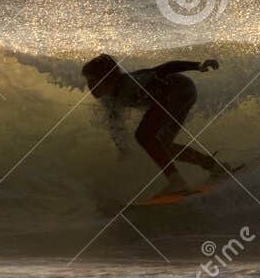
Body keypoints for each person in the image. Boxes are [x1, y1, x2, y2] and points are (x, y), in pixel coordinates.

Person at [82, 53, 231, 194]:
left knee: (143, 135)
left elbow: (166, 67)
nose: (89, 86)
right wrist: (122, 149)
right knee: (163, 146)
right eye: (88, 81)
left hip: (179, 89)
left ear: (108, 78)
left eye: (93, 80)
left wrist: (198, 65)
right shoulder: (110, 99)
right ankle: (216, 167)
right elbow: (115, 124)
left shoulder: (132, 83)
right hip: (178, 95)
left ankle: (176, 182)